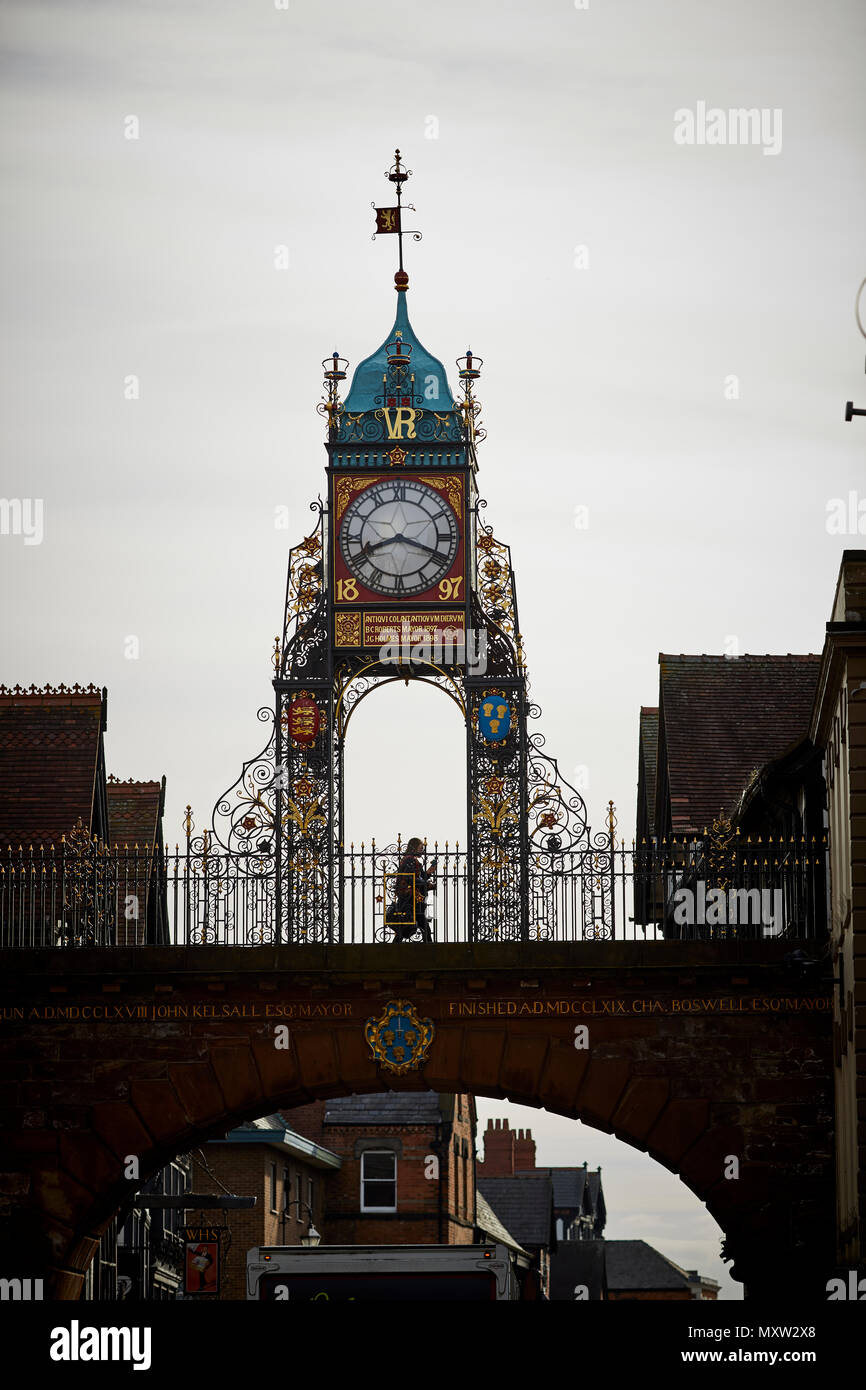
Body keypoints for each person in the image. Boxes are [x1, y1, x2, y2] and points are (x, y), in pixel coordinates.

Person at [388, 837, 436, 943]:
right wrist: (427, 885)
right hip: (410, 898)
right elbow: (411, 879)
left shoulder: (411, 860)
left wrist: (429, 872)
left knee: (407, 927)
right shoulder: (410, 860)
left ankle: (393, 948)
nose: (422, 850)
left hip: (410, 898)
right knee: (419, 925)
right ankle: (432, 949)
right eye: (420, 848)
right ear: (414, 847)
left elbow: (419, 877)